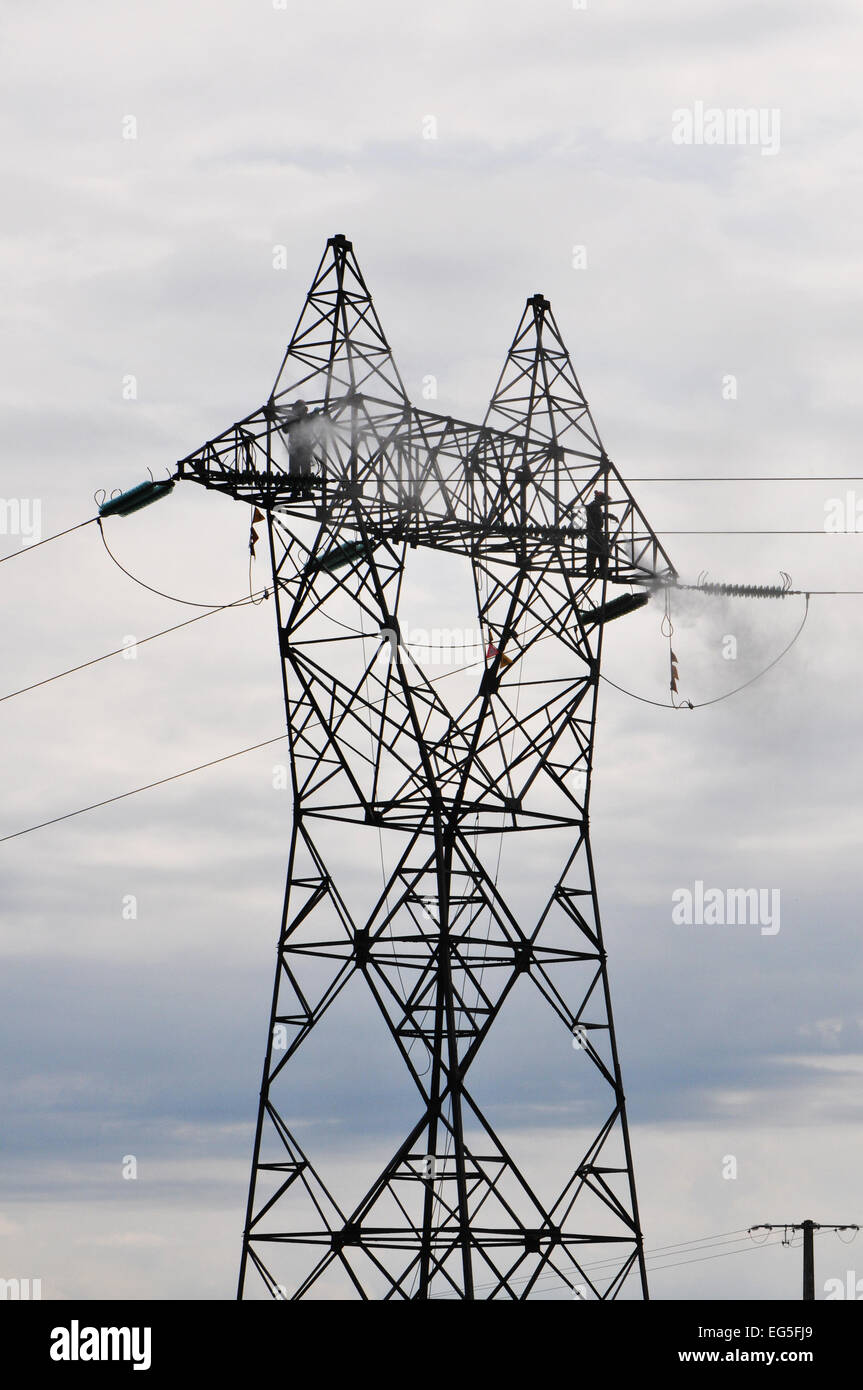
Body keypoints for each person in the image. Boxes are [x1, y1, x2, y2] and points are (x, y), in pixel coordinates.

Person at [283, 400, 316, 480]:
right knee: (296, 472)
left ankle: (302, 489)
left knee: (304, 473)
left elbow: (284, 429)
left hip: (303, 447)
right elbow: (284, 429)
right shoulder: (293, 418)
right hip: (297, 447)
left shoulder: (307, 418)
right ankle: (299, 489)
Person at [585, 489, 610, 576]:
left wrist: (609, 515)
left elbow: (599, 514)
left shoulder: (595, 506)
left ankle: (598, 570)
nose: (603, 503)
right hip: (594, 533)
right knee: (600, 551)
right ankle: (601, 570)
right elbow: (596, 515)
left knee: (595, 552)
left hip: (595, 533)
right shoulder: (594, 506)